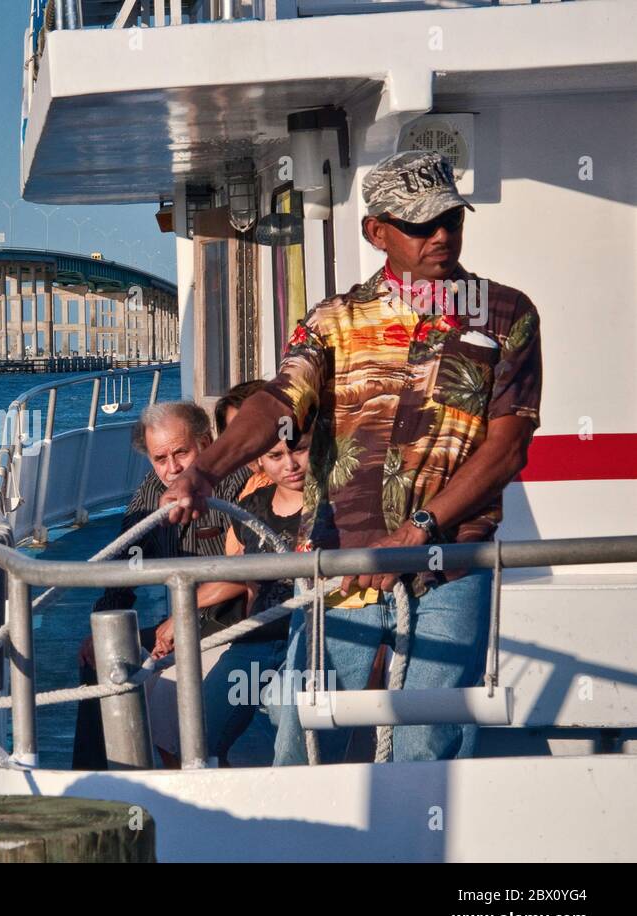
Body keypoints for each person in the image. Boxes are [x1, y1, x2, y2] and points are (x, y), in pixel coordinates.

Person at [160, 150, 542, 764]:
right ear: (377, 231)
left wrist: (419, 530)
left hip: (454, 559)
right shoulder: (333, 322)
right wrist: (207, 468)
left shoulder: (507, 314)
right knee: (306, 737)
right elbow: (279, 404)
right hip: (343, 561)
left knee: (427, 745)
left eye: (451, 219)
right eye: (420, 224)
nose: (441, 234)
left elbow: (508, 446)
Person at [71, 400, 251, 770]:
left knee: (164, 690)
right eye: (160, 458)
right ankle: (100, 782)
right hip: (185, 626)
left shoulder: (239, 481)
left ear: (205, 441)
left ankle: (190, 783)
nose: (172, 469)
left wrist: (179, 620)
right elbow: (124, 563)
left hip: (235, 622)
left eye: (181, 453)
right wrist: (103, 628)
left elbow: (250, 568)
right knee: (99, 660)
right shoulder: (152, 493)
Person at [146, 430, 310, 767]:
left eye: (301, 451)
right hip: (257, 641)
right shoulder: (251, 508)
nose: (291, 464)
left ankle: (293, 808)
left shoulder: (335, 508)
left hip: (312, 640)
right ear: (259, 462)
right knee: (197, 737)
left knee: (289, 719)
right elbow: (239, 573)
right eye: (276, 456)